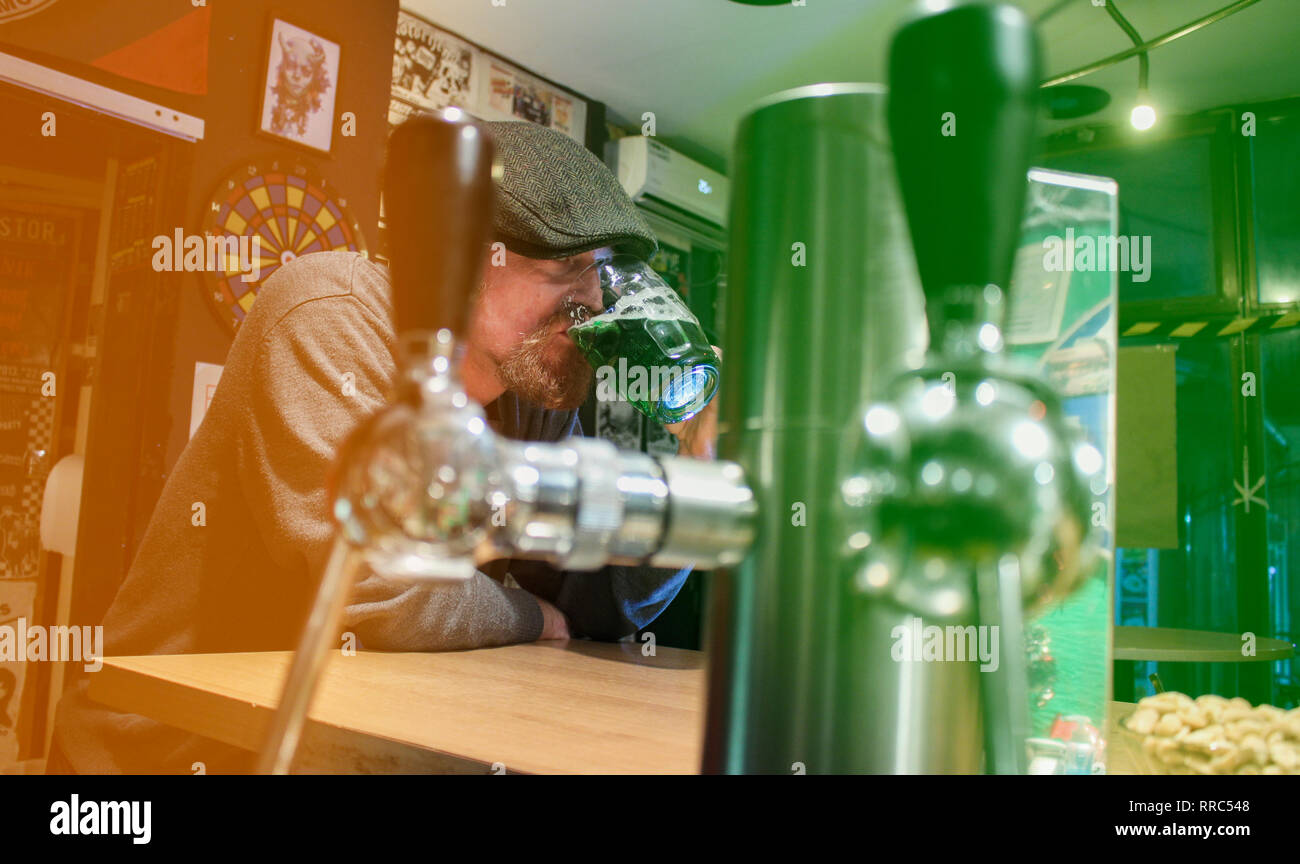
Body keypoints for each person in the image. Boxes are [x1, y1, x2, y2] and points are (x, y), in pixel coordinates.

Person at [48, 120, 717, 774]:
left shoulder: (527, 395)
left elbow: (596, 602)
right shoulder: (327, 315)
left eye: (602, 273)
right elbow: (395, 594)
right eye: (568, 267)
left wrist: (701, 467)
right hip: (171, 751)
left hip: (350, 747)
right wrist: (531, 615)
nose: (595, 303)